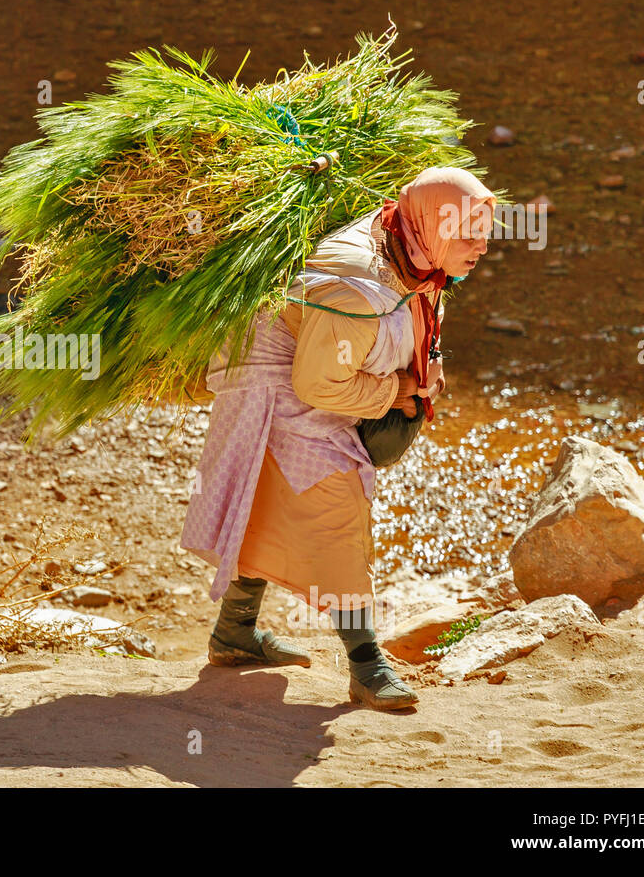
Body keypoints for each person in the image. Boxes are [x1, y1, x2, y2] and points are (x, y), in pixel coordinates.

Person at [181, 167, 496, 710]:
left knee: (271, 506)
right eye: (469, 235)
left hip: (313, 366)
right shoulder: (358, 289)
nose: (481, 247)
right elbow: (316, 382)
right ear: (434, 226)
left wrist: (429, 363)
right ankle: (366, 664)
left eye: (485, 233)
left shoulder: (415, 248)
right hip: (277, 386)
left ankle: (234, 633)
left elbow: (419, 313)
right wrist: (395, 390)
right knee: (337, 513)